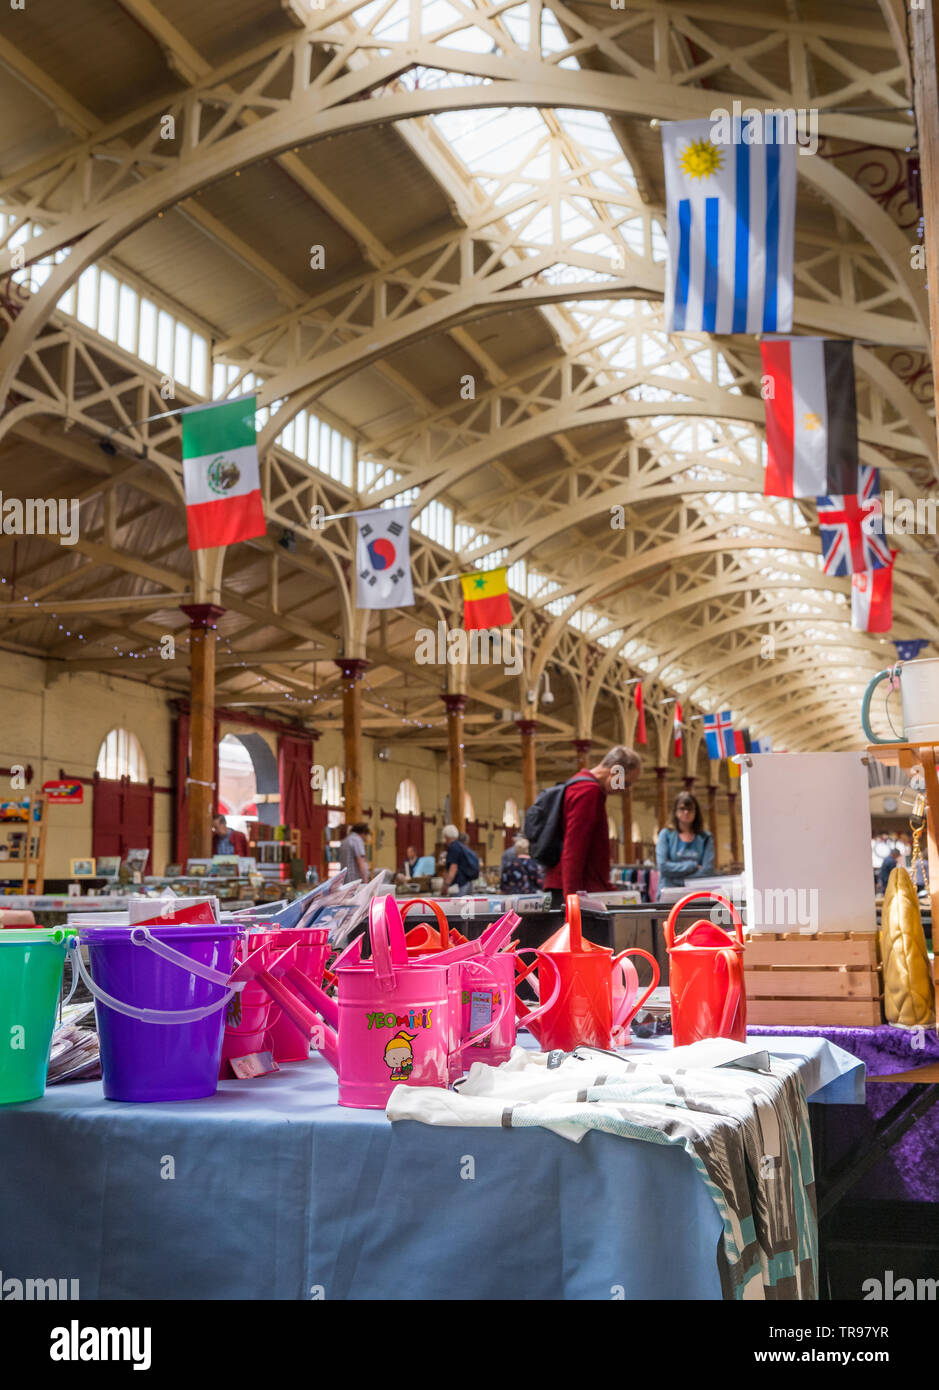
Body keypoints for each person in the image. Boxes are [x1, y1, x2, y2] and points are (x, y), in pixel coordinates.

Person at [543, 745, 642, 906]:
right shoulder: (588, 792)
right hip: (577, 890)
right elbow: (574, 849)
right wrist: (571, 901)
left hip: (575, 887)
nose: (625, 789)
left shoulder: (580, 784)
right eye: (627, 783)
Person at [655, 792, 715, 893]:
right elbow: (663, 867)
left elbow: (707, 871)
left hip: (696, 894)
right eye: (682, 808)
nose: (686, 812)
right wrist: (693, 866)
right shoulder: (665, 835)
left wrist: (675, 879)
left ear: (696, 812)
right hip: (668, 894)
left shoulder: (705, 837)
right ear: (675, 811)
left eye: (690, 809)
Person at [442, 824, 479, 895]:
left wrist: (446, 886)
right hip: (468, 883)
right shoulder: (460, 846)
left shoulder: (453, 847)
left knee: (458, 905)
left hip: (460, 885)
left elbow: (453, 868)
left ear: (446, 836)